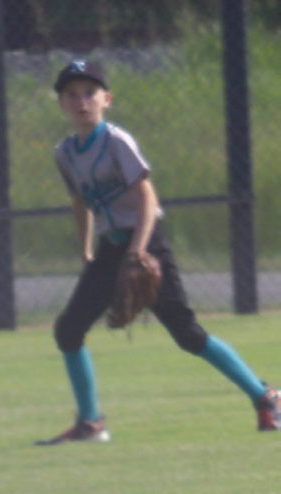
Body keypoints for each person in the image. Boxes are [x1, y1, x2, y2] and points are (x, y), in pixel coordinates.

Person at [37, 59, 280, 445]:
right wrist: (86, 249)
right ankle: (90, 423)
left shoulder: (116, 142)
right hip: (111, 247)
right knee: (69, 330)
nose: (81, 101)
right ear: (62, 104)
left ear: (106, 100)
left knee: (187, 334)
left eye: (89, 93)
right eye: (71, 95)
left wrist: (137, 253)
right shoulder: (65, 152)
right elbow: (79, 199)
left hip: (147, 243)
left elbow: (147, 198)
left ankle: (266, 396)